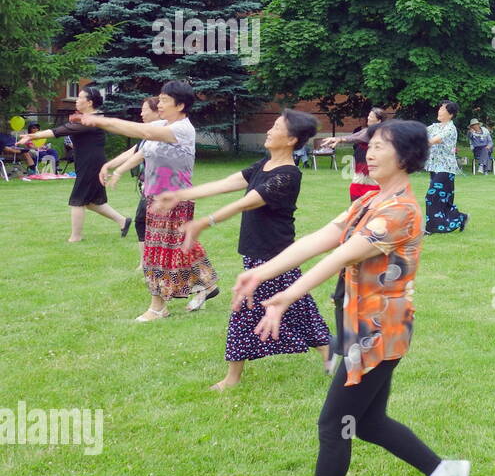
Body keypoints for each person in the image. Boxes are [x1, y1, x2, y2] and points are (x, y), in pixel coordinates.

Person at [232, 119, 470, 476]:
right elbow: (322, 237)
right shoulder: (371, 201)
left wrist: (286, 295)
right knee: (366, 421)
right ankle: (445, 472)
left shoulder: (400, 212)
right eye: (369, 145)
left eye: (380, 146)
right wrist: (261, 273)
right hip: (364, 324)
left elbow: (341, 256)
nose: (370, 152)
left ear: (406, 157)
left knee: (334, 423)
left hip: (379, 331)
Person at [152, 111, 332, 391]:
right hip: (261, 252)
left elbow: (247, 202)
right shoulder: (265, 165)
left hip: (273, 254)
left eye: (276, 127)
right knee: (299, 307)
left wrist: (205, 222)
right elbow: (227, 184)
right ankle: (330, 356)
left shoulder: (288, 174)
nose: (269, 131)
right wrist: (179, 195)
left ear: (292, 139)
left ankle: (232, 378)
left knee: (243, 311)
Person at [74, 80, 219, 321]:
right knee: (176, 248)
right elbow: (142, 149)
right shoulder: (163, 124)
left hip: (174, 201)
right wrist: (115, 168)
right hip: (155, 198)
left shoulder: (182, 129)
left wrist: (101, 120)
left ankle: (158, 307)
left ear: (181, 105)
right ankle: (205, 284)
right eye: (159, 99)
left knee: (158, 254)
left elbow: (142, 131)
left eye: (164, 100)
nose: (158, 104)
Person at [19, 86, 131, 242]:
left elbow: (59, 131)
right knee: (91, 201)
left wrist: (32, 136)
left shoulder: (91, 120)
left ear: (89, 102)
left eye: (80, 97)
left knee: (77, 200)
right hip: (88, 162)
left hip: (91, 163)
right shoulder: (88, 117)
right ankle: (122, 221)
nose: (76, 100)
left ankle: (75, 237)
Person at [101, 97, 162, 269]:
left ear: (157, 111)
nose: (141, 113)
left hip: (160, 188)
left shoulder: (160, 133)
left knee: (152, 224)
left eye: (144, 109)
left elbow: (140, 155)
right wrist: (109, 165)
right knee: (142, 221)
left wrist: (118, 171)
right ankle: (146, 263)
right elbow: (133, 152)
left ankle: (150, 264)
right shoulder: (148, 134)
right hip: (149, 188)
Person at [320, 108, 388, 200]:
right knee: (357, 193)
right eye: (368, 115)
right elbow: (355, 136)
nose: (368, 118)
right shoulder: (367, 130)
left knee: (368, 197)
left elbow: (358, 138)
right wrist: (338, 139)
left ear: (379, 121)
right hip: (361, 171)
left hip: (371, 172)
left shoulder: (378, 133)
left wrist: (340, 139)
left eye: (371, 116)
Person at [423, 101, 468, 233]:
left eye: (442, 109)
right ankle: (460, 218)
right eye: (440, 109)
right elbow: (420, 132)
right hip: (435, 167)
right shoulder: (435, 126)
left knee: (431, 197)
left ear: (450, 114)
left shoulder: (450, 128)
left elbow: (435, 140)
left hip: (446, 168)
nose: (439, 111)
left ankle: (432, 227)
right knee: (443, 199)